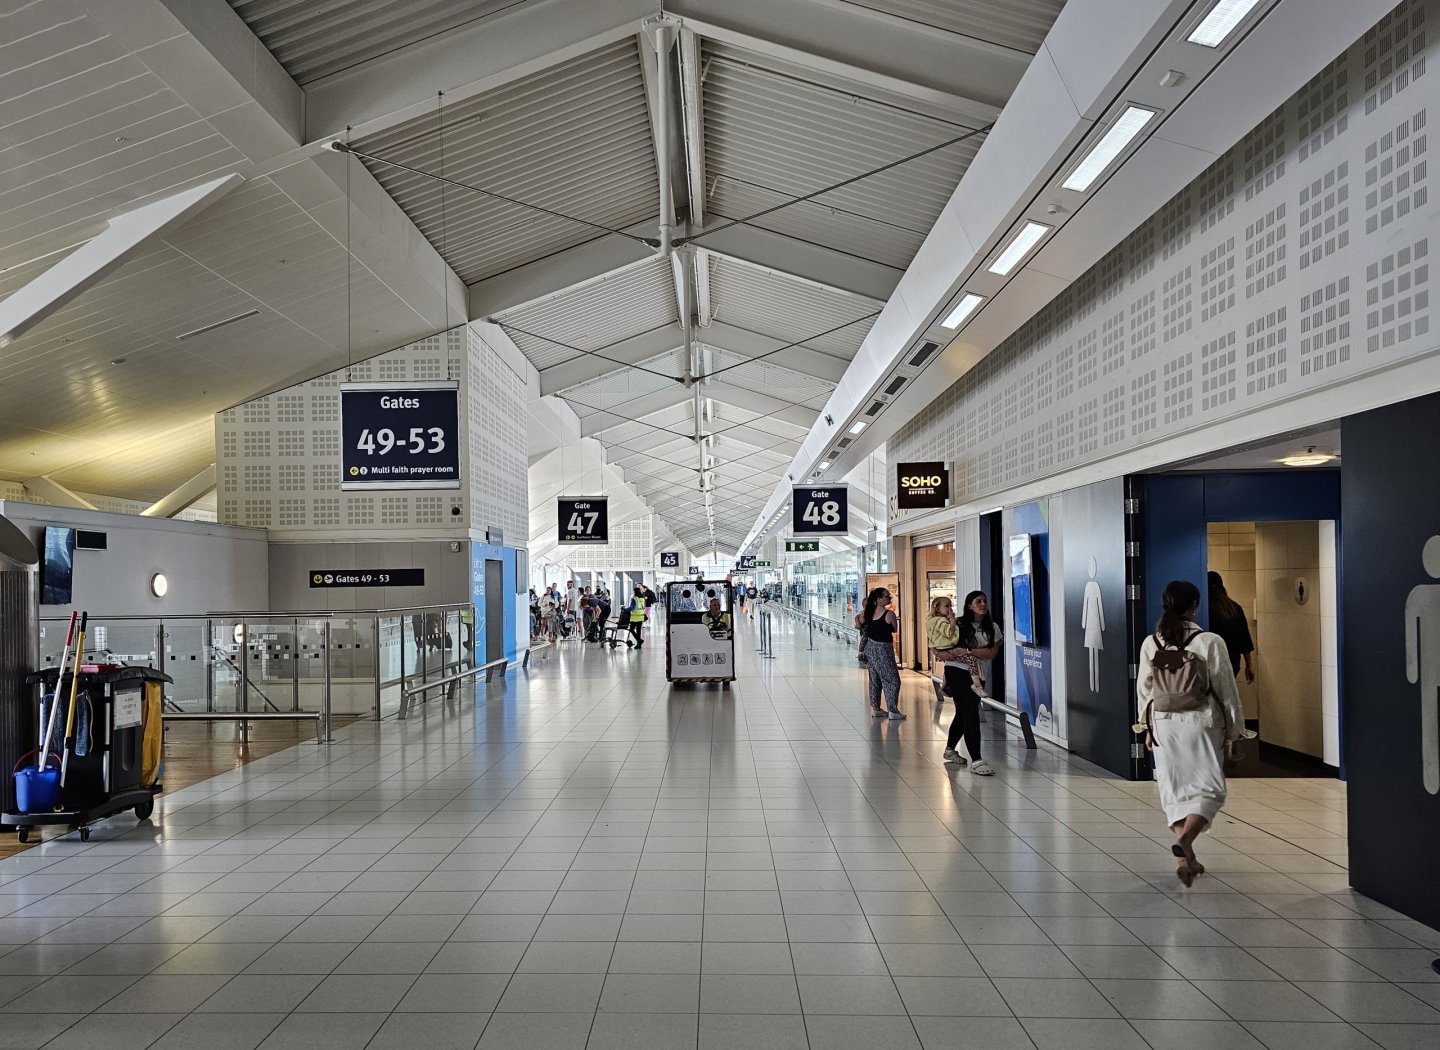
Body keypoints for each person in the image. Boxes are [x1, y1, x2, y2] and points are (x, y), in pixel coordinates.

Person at [1137, 579, 1245, 887]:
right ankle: (1186, 842)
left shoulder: (1152, 643)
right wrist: (1235, 731)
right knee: (1210, 790)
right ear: (1194, 607)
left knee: (1174, 792)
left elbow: (1144, 691)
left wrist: (1146, 727)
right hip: (1202, 722)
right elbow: (1227, 690)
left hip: (1163, 723)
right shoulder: (1209, 642)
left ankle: (1187, 859)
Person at [941, 592, 1002, 776]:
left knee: (962, 713)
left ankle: (950, 750)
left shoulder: (992, 627)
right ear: (969, 605)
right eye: (978, 601)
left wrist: (967, 650)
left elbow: (991, 654)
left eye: (984, 601)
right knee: (970, 712)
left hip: (978, 673)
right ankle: (977, 760)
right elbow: (945, 650)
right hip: (956, 671)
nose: (982, 604)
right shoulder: (958, 624)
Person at [927, 595, 991, 699]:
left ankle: (944, 685)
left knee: (949, 665)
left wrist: (936, 651)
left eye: (950, 606)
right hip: (948, 650)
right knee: (971, 660)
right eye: (947, 606)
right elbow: (949, 632)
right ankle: (977, 685)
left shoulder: (931, 621)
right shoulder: (943, 621)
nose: (950, 609)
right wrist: (952, 620)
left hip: (943, 650)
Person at [860, 586, 906, 720]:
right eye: (887, 596)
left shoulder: (868, 613)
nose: (889, 599)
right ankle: (893, 709)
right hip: (883, 650)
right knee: (892, 680)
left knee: (875, 679)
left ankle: (876, 708)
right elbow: (894, 629)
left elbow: (860, 624)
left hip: (870, 649)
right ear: (879, 599)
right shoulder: (889, 614)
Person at [1207, 571, 1255, 684]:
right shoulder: (1234, 608)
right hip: (1231, 661)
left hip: (1210, 661)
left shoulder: (1204, 609)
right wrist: (1249, 665)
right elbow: (1244, 639)